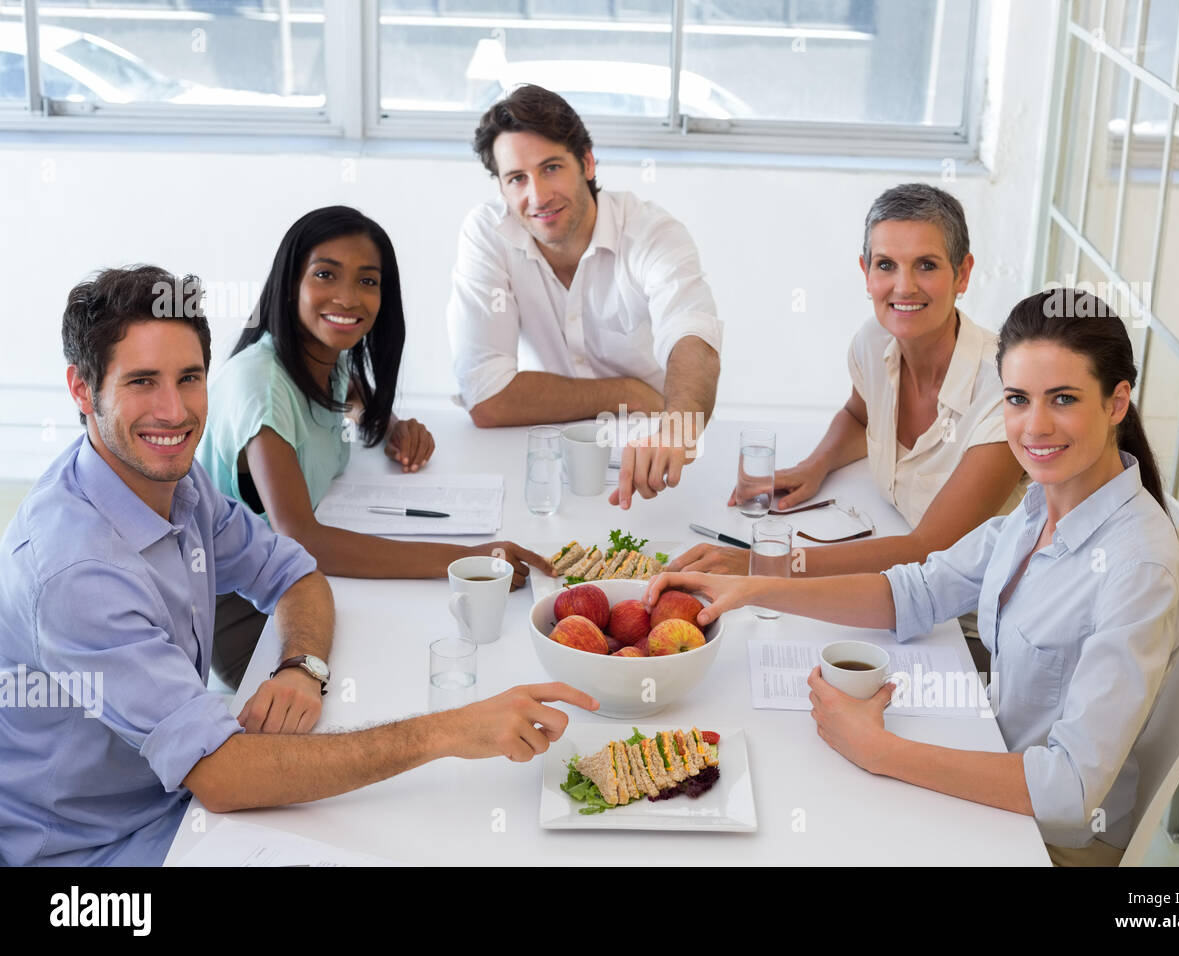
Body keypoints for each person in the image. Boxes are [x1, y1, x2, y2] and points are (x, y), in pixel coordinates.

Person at [0, 266, 597, 866]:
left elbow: (294, 571)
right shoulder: (75, 573)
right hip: (95, 852)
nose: (174, 410)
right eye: (142, 382)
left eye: (189, 378)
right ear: (82, 389)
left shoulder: (172, 479)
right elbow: (224, 776)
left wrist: (302, 665)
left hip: (178, 802)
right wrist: (449, 731)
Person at [647, 289, 1179, 867]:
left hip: (1043, 842)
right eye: (1016, 399)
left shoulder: (1136, 569)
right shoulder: (1040, 507)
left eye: (1062, 399)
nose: (1034, 426)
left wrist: (878, 749)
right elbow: (918, 591)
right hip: (990, 769)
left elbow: (1069, 792)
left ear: (1115, 403)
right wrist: (757, 587)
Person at [198, 206, 551, 688]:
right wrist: (466, 558)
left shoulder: (324, 355)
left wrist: (391, 427)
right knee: (421, 666)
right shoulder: (260, 386)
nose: (348, 297)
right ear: (289, 283)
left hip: (303, 581)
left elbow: (350, 395)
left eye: (368, 281)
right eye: (325, 274)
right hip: (250, 612)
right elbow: (302, 538)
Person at [671, 183, 1024, 578]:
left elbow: (928, 549)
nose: (904, 287)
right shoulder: (873, 341)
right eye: (886, 265)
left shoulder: (1008, 393)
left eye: (926, 265)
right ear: (866, 272)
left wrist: (767, 564)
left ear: (962, 274)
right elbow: (859, 417)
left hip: (975, 622)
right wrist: (814, 465)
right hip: (899, 578)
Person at [448, 83, 724, 509]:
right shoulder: (488, 234)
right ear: (501, 188)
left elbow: (693, 338)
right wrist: (629, 392)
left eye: (551, 168)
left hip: (653, 455)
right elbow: (486, 397)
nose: (537, 196)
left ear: (588, 162)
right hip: (549, 456)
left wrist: (675, 429)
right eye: (517, 178)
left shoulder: (651, 232)